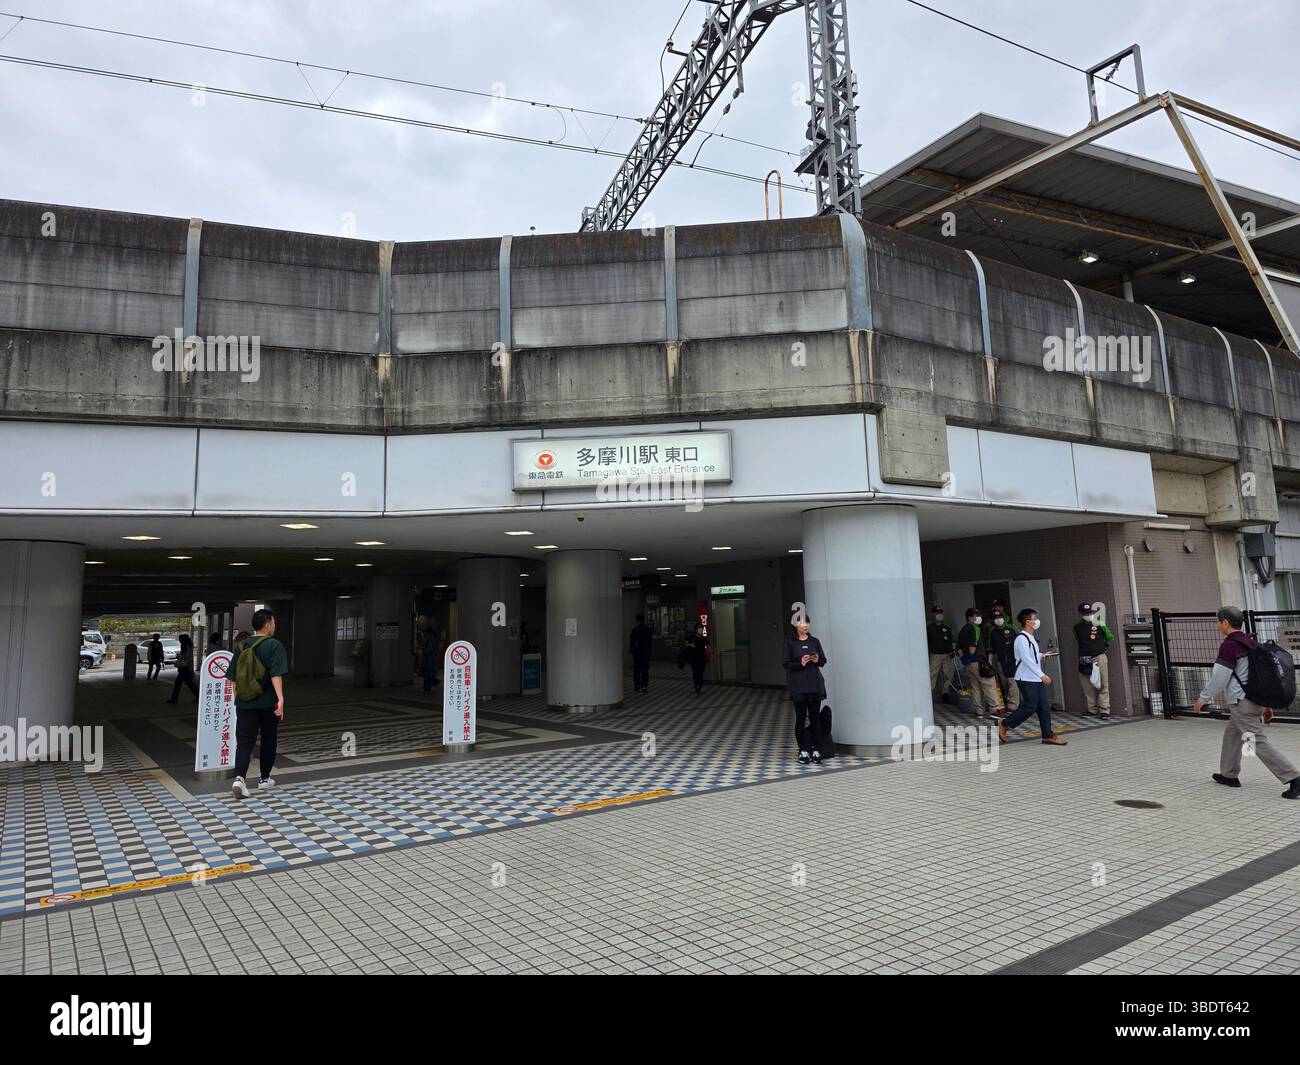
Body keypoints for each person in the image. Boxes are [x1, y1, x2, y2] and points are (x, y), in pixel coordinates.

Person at [1195, 607, 1300, 799]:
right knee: (1232, 735)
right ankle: (1229, 774)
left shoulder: (1230, 645)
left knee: (1257, 741)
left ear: (1225, 622)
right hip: (1253, 701)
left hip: (1241, 703)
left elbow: (1220, 677)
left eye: (1218, 622)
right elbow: (1260, 678)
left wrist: (1203, 699)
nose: (1217, 625)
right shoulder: (1249, 642)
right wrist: (1266, 705)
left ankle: (1293, 777)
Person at [227, 609, 290, 799]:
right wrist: (280, 698)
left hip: (245, 702)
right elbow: (275, 675)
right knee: (269, 738)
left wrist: (238, 695)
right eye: (274, 622)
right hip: (267, 702)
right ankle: (264, 779)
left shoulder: (241, 645)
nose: (274, 625)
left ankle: (239, 779)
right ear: (267, 624)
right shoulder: (274, 645)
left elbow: (233, 677)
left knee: (244, 741)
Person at [1000, 608, 1066, 745]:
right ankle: (1005, 724)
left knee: (1044, 707)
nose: (1037, 621)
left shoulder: (1030, 638)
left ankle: (1047, 735)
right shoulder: (1021, 638)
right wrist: (1042, 675)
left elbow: (1031, 656)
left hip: (1034, 678)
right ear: (1028, 622)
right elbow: (1026, 659)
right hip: (1025, 678)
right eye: (1035, 618)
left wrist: (1042, 655)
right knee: (1030, 706)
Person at [783, 616, 829, 764]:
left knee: (815, 719)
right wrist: (800, 663)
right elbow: (786, 664)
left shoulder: (814, 641)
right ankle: (803, 750)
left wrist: (817, 660)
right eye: (802, 623)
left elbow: (823, 661)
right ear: (796, 625)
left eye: (807, 622)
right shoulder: (790, 642)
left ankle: (816, 750)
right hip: (799, 686)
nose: (805, 626)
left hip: (814, 684)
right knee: (801, 719)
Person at [956, 607, 1003, 719]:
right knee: (988, 684)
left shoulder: (963, 629)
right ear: (969, 617)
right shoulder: (975, 628)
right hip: (978, 661)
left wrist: (965, 660)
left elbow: (958, 648)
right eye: (976, 616)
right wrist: (971, 656)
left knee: (975, 687)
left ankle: (978, 711)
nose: (978, 618)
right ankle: (994, 709)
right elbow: (973, 645)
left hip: (969, 664)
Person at [1073, 601, 1113, 719]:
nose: (1088, 614)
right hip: (1084, 657)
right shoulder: (1077, 626)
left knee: (1103, 683)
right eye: (1085, 613)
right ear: (1081, 613)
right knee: (1087, 685)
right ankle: (1092, 709)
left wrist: (1103, 648)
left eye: (1090, 612)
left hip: (1099, 656)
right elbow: (1077, 639)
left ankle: (1104, 710)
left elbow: (1110, 638)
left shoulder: (1100, 623)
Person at [986, 604, 1020, 717]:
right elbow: (991, 648)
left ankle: (1013, 705)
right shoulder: (993, 633)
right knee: (1004, 682)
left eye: (999, 617)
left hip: (1013, 660)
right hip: (1000, 660)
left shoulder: (1012, 628)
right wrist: (990, 661)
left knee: (1013, 682)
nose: (998, 620)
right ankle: (1006, 701)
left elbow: (1021, 642)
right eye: (995, 619)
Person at [926, 605, 956, 703]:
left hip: (947, 654)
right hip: (935, 655)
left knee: (950, 674)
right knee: (932, 675)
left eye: (940, 613)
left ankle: (946, 693)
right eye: (937, 613)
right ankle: (927, 696)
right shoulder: (928, 627)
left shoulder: (947, 627)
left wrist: (953, 650)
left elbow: (953, 640)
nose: (939, 615)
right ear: (932, 614)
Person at [165, 633, 199, 704]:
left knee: (182, 684)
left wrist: (182, 658)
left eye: (180, 639)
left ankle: (174, 699)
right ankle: (174, 699)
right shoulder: (187, 645)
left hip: (184, 668)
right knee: (188, 684)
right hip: (185, 668)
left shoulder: (186, 646)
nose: (179, 641)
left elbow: (187, 656)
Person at [629, 613, 652, 693]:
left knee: (637, 669)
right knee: (645, 670)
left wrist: (632, 650)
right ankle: (644, 686)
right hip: (646, 652)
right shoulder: (648, 629)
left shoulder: (635, 629)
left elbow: (632, 641)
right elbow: (650, 641)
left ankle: (637, 685)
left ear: (637, 620)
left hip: (637, 653)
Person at [683, 623, 709, 694]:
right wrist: (690, 644)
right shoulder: (691, 637)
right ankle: (697, 686)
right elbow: (685, 644)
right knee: (696, 672)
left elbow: (707, 646)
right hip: (693, 658)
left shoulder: (704, 638)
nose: (700, 629)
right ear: (696, 629)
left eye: (701, 628)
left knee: (701, 673)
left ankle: (699, 686)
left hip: (702, 658)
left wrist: (709, 652)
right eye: (699, 628)